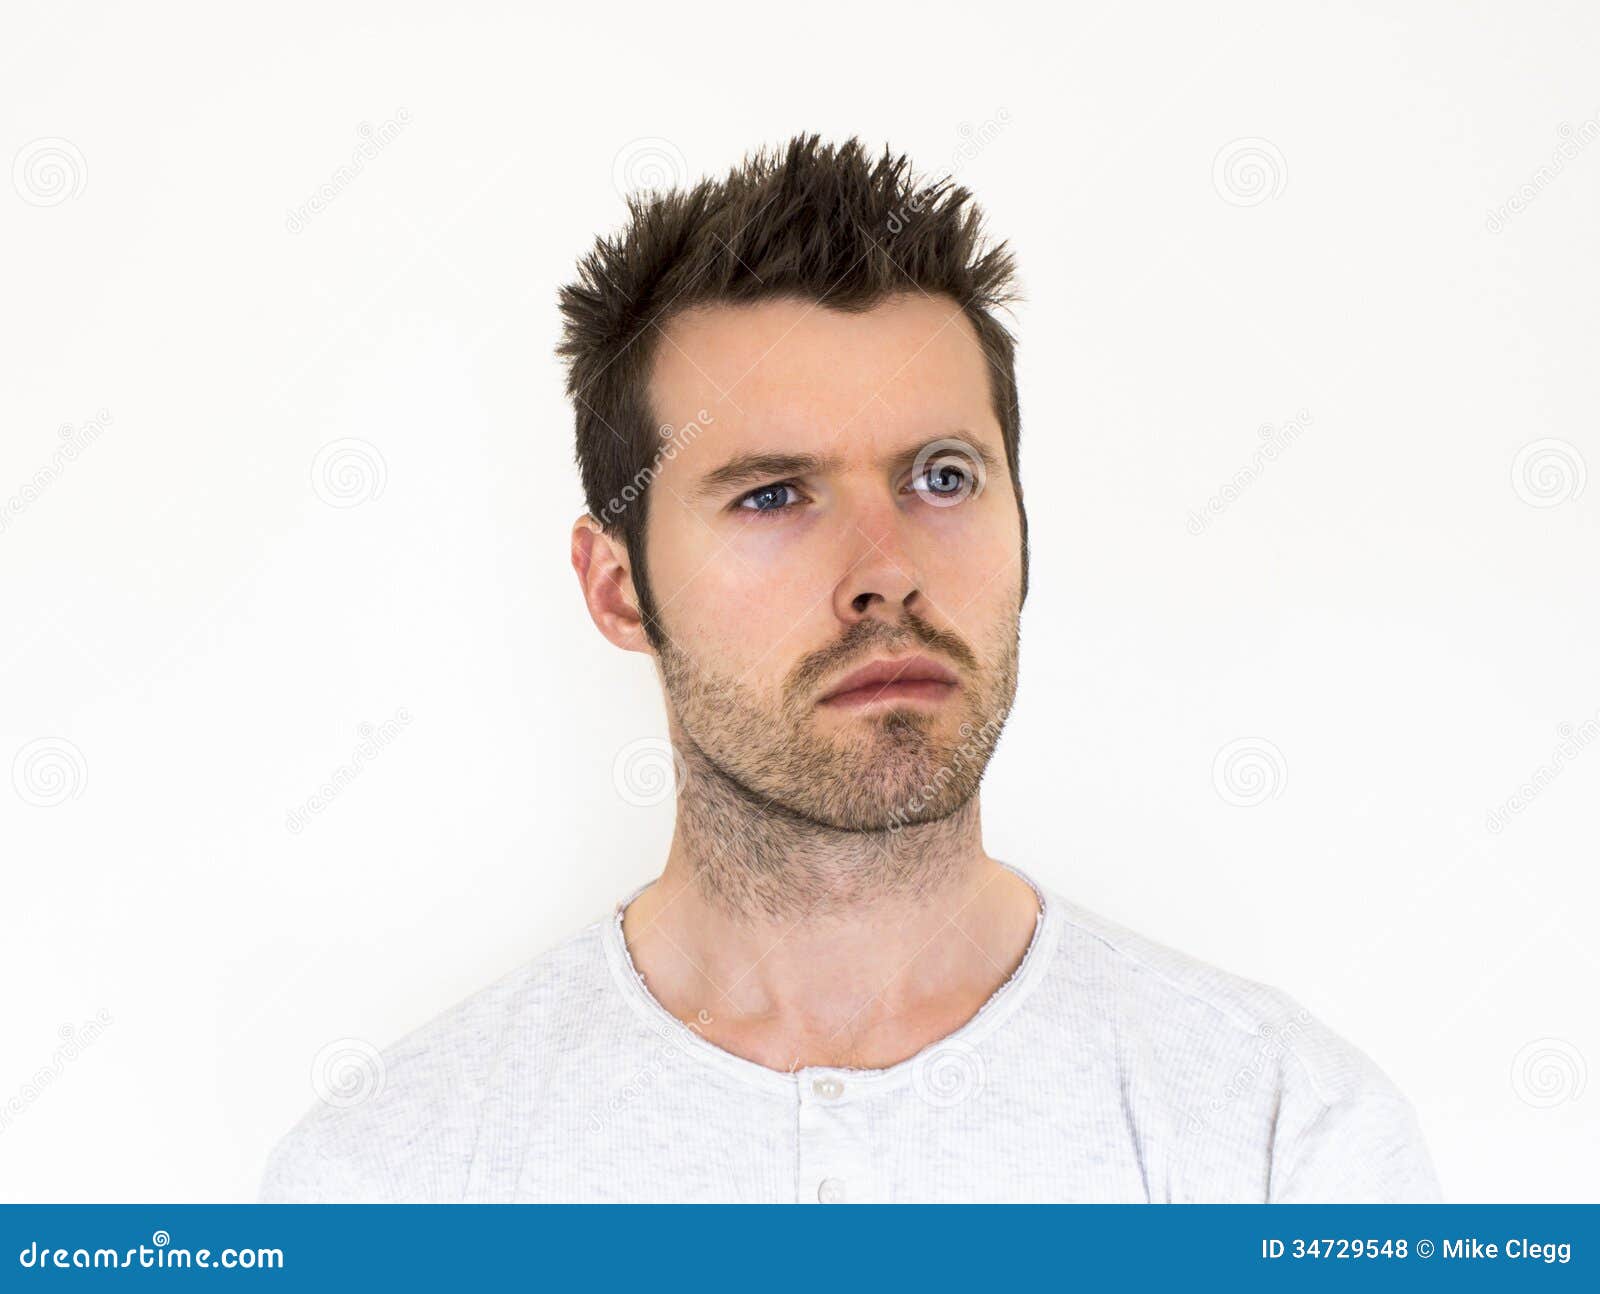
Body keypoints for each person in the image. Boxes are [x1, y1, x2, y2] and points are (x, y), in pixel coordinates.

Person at [260, 134, 1442, 1203]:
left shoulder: (1284, 1141)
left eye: (941, 478)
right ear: (617, 587)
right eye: (773, 495)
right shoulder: (389, 1183)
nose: (886, 572)